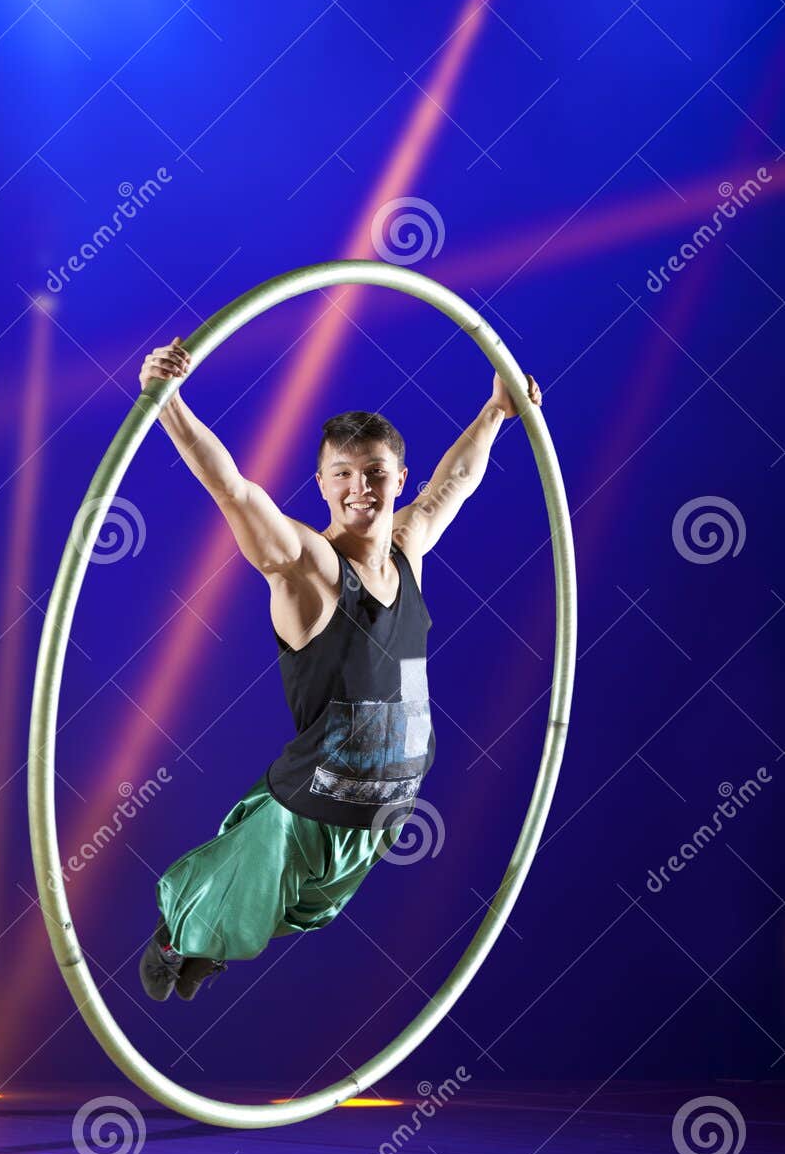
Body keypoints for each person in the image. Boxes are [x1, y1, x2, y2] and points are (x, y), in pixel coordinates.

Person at [137, 336, 542, 1002]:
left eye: (375, 472)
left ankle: (208, 938)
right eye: (344, 474)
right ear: (321, 483)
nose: (361, 487)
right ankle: (177, 941)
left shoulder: (408, 548)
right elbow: (234, 493)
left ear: (396, 479)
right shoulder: (313, 571)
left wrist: (496, 413)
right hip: (302, 810)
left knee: (308, 915)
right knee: (223, 911)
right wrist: (168, 402)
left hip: (379, 814)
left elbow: (453, 486)